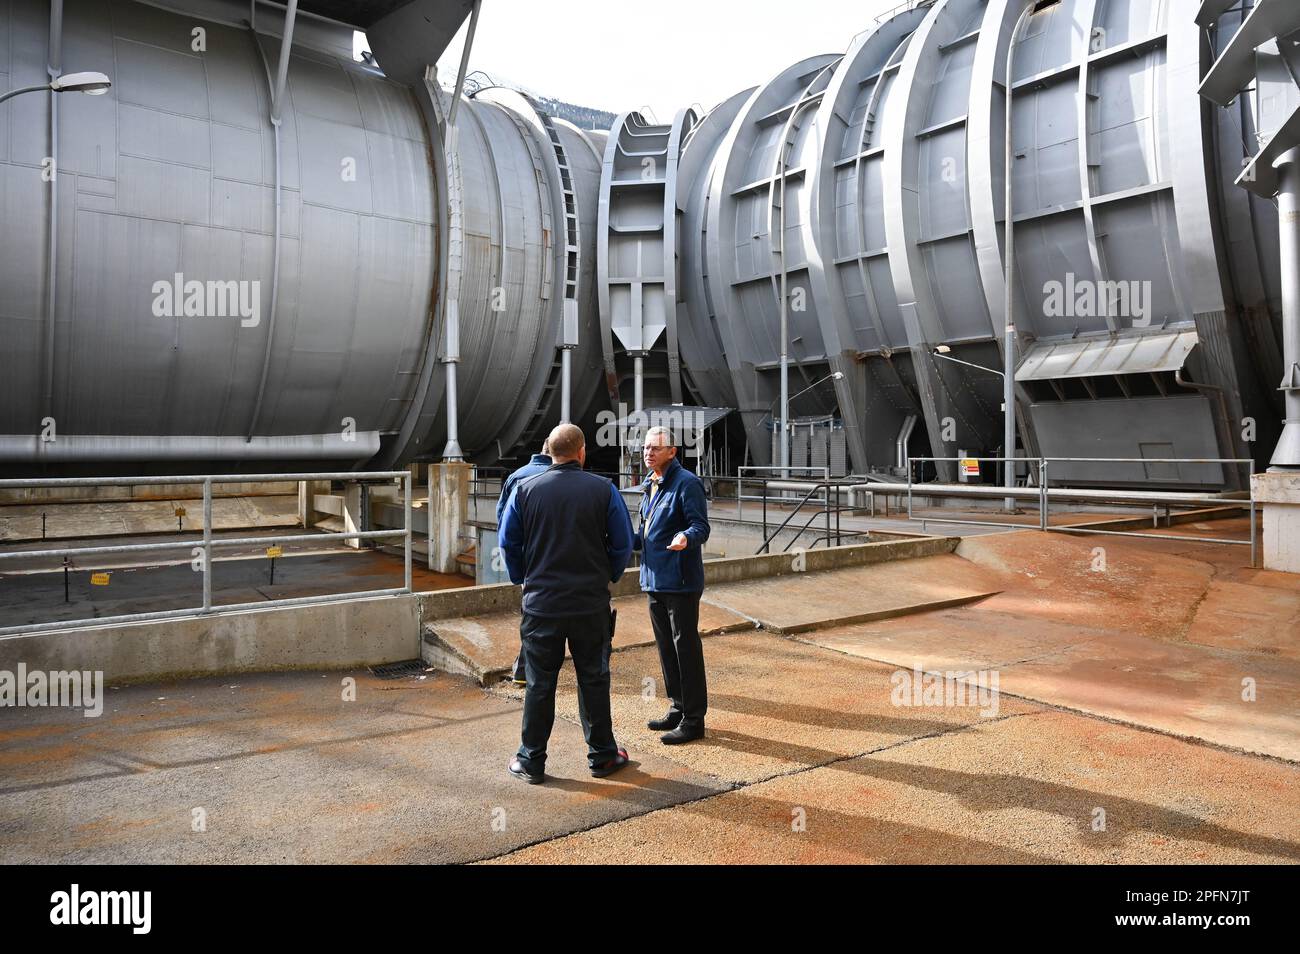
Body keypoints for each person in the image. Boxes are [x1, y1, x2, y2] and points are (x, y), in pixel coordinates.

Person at [498, 423, 635, 783]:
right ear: (582, 452)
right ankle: (603, 756)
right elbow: (623, 543)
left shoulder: (525, 489)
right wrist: (609, 575)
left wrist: (522, 578)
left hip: (542, 606)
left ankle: (531, 761)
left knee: (539, 683)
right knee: (594, 678)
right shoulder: (603, 490)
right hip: (590, 604)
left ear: (549, 451)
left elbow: (508, 542)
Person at [634, 425, 710, 744]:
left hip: (680, 582)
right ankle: (678, 707)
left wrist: (686, 538)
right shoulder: (650, 485)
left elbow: (700, 527)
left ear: (672, 452)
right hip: (653, 580)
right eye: (646, 448)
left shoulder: (687, 484)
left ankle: (694, 720)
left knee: (685, 647)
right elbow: (646, 531)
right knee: (667, 649)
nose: (648, 453)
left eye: (655, 448)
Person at [495, 440, 553, 684]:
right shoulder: (562, 476)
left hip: (530, 560)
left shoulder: (516, 477)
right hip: (559, 557)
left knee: (532, 614)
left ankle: (524, 670)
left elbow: (504, 525)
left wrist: (517, 572)